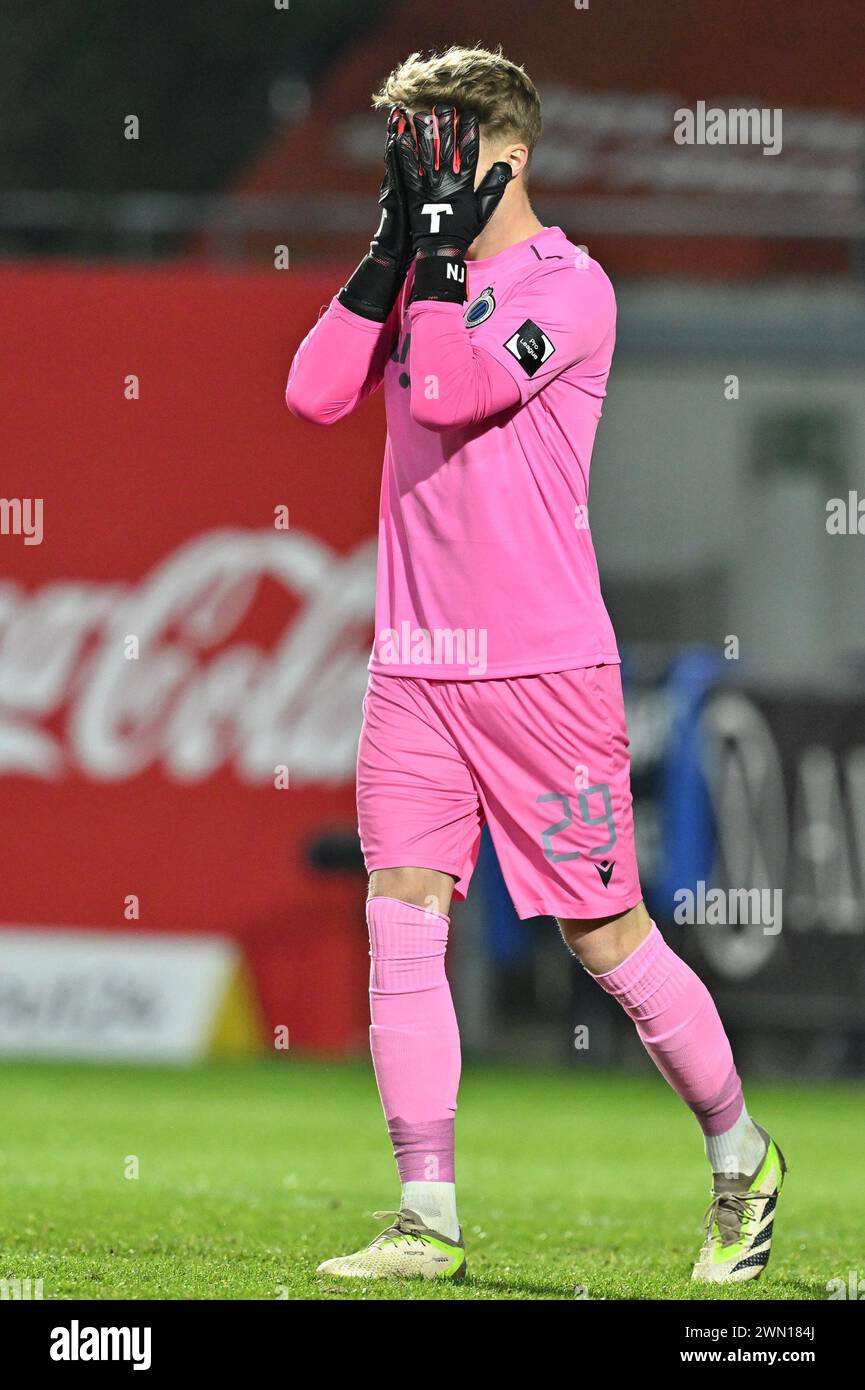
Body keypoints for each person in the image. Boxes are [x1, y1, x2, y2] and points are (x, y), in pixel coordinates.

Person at [286, 44, 785, 1285]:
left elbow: (451, 393)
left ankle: (741, 1157)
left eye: (436, 146)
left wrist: (441, 260)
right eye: (406, 149)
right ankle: (426, 1215)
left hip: (541, 672)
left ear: (502, 154)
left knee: (605, 939)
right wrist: (391, 251)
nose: (418, 167)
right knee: (399, 919)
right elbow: (309, 396)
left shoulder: (571, 287)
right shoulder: (416, 274)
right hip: (416, 667)